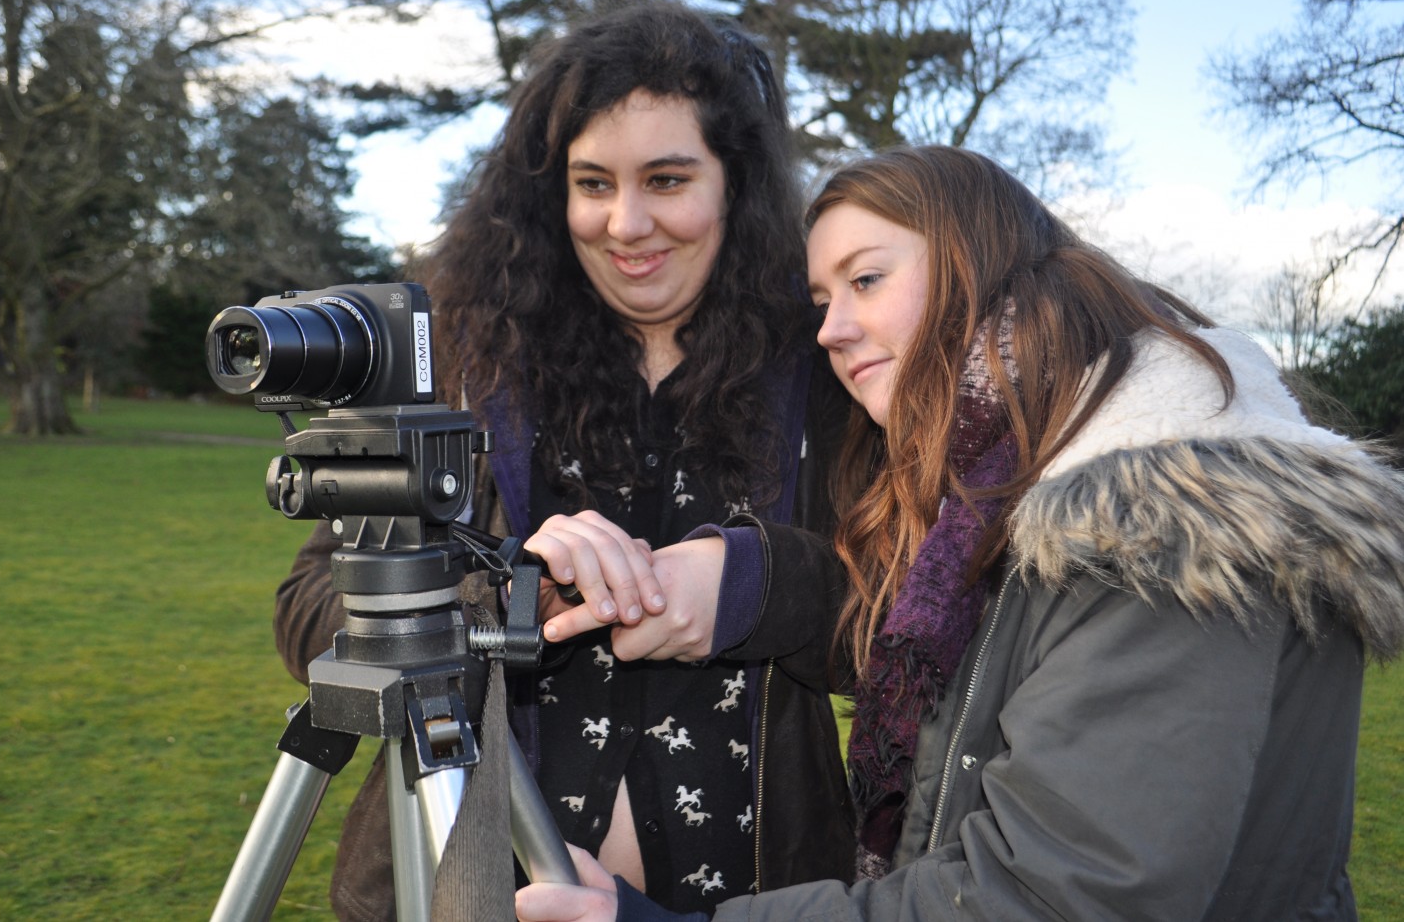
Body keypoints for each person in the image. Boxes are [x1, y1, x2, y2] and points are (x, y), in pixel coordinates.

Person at [516, 144, 1404, 921]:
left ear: (980, 267)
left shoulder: (1156, 524)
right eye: (822, 297)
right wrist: (738, 580)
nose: (828, 328)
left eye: (866, 280)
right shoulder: (1000, 497)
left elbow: (1054, 895)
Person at [272, 0, 855, 920]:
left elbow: (909, 625)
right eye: (593, 184)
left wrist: (749, 583)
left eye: (667, 180)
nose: (626, 224)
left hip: (751, 896)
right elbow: (310, 617)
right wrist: (502, 594)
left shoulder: (829, 364)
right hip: (467, 883)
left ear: (733, 185)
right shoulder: (462, 361)